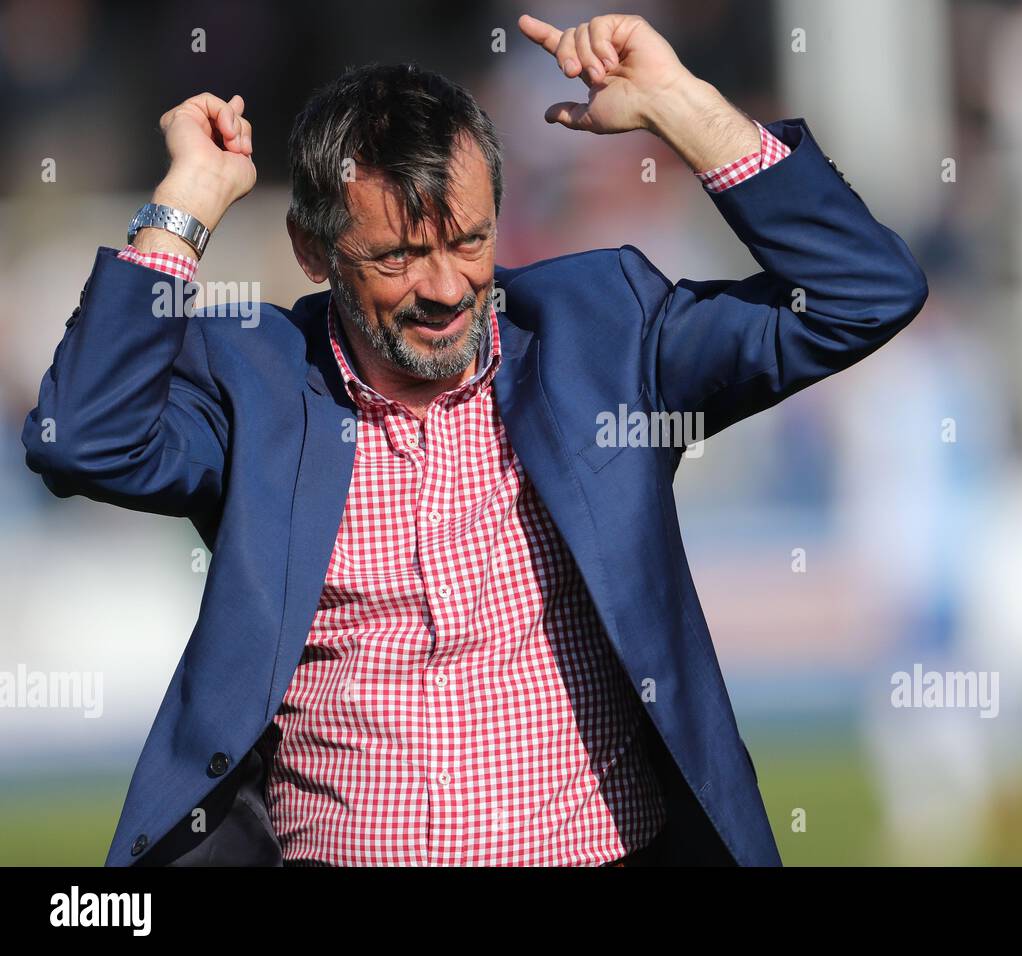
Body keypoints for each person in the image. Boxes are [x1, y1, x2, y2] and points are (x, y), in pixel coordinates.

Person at [21, 13, 927, 866]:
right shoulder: (255, 381)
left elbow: (863, 295)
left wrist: (683, 110)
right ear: (312, 252)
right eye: (398, 257)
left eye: (470, 240)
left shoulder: (604, 335)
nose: (449, 286)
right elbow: (79, 438)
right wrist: (183, 205)